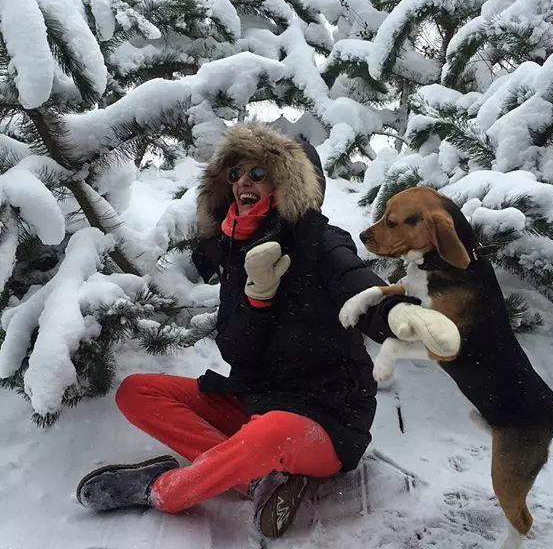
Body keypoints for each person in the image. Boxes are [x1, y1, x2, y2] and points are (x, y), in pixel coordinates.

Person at [75, 123, 443, 538]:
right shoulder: (235, 252)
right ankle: (254, 480)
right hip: (257, 401)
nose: (242, 183)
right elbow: (236, 350)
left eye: (257, 173)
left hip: (327, 421)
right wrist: (256, 297)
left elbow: (359, 287)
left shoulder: (323, 245)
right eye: (234, 174)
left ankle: (163, 490)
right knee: (137, 391)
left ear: (287, 184)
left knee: (270, 434)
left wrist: (394, 313)